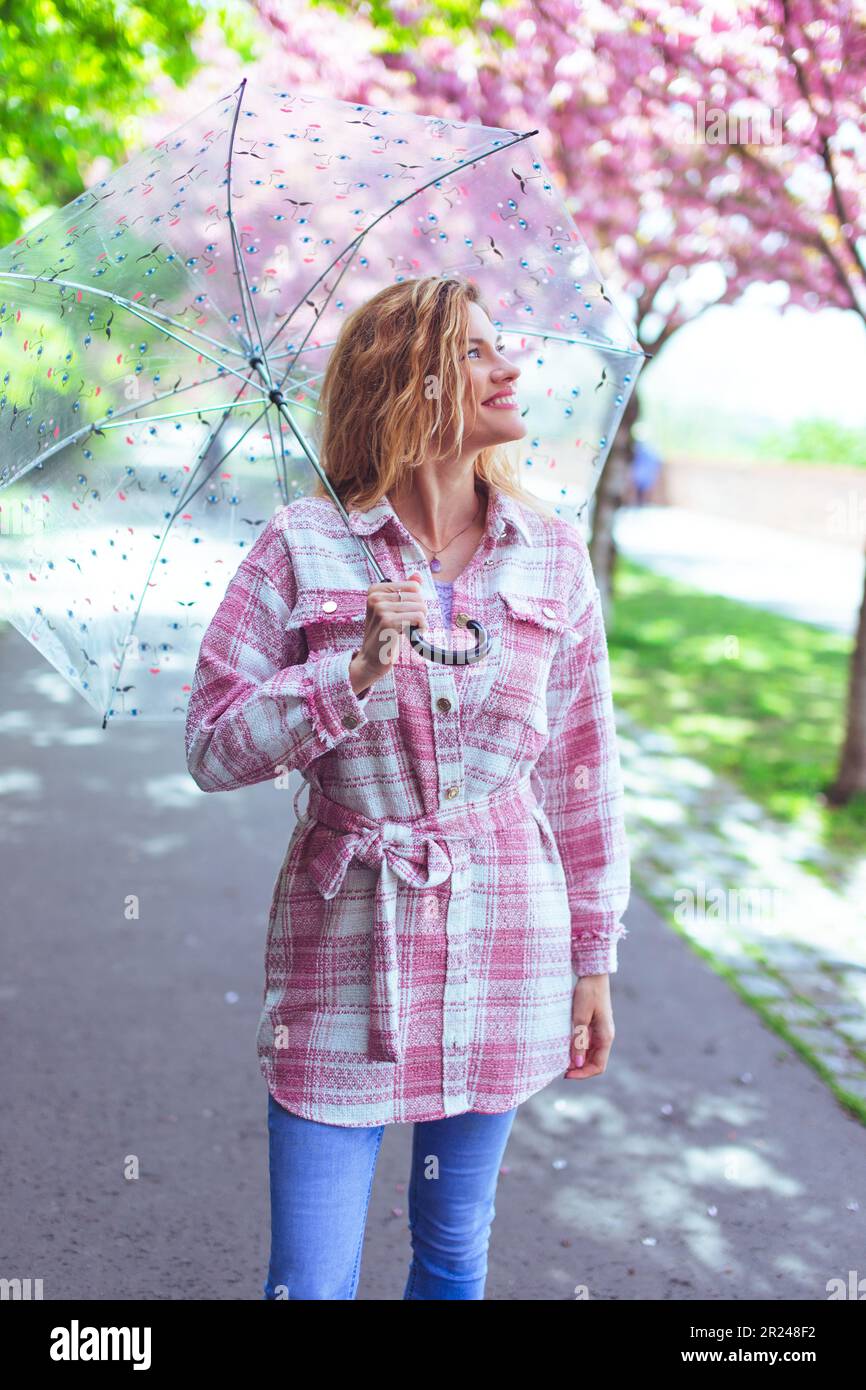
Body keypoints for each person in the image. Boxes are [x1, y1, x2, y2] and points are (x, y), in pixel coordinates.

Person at [184, 274, 631, 1300]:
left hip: (503, 940)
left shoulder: (552, 558)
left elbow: (579, 770)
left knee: (450, 1251)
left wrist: (591, 959)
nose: (507, 366)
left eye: (498, 345)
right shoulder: (300, 548)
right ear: (408, 381)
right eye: (474, 350)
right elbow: (211, 747)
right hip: (343, 950)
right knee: (308, 1277)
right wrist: (347, 671)